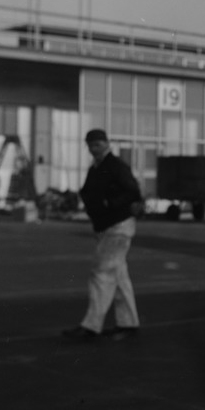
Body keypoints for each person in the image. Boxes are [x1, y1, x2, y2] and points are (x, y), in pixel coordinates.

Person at [62, 129, 144, 341]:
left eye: (97, 144)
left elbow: (133, 191)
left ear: (107, 144)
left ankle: (91, 325)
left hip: (118, 227)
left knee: (101, 273)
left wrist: (109, 204)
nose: (93, 148)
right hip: (110, 226)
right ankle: (128, 323)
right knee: (118, 276)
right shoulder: (97, 168)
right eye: (90, 145)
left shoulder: (116, 167)